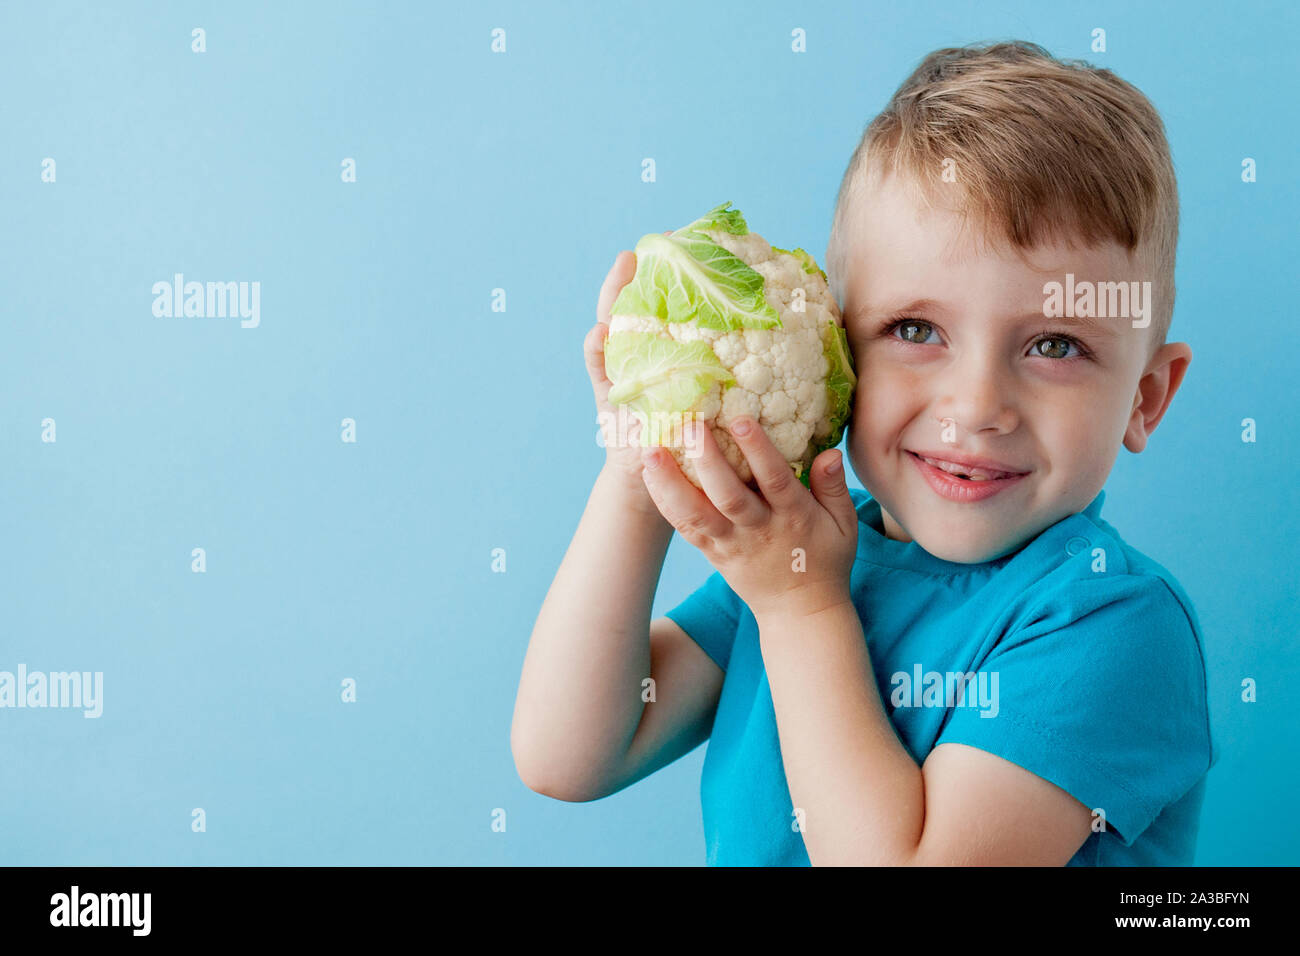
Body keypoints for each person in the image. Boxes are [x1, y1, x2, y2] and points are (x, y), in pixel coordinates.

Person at [512, 40, 1215, 866]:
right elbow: (569, 755)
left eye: (1055, 346)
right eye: (916, 331)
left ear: (1145, 397)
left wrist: (803, 610)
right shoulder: (809, 558)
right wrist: (639, 472)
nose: (976, 407)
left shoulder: (1108, 622)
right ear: (836, 355)